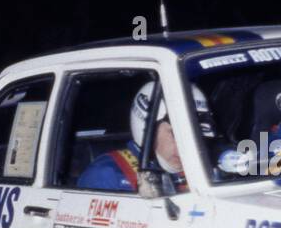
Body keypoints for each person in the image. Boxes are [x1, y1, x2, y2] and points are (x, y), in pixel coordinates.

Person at [78, 81, 213, 193]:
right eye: (175, 134)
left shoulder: (208, 172)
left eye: (197, 134)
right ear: (147, 126)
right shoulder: (106, 177)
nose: (187, 146)